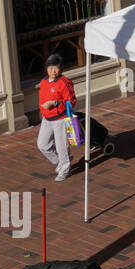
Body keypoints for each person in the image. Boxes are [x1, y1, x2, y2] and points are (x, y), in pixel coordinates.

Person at [37, 53, 77, 182]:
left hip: (60, 118)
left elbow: (71, 101)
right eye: (50, 68)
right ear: (46, 68)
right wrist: (43, 111)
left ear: (61, 69)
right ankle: (62, 161)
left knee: (61, 147)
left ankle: (65, 169)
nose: (53, 71)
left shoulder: (64, 83)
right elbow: (42, 99)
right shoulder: (43, 82)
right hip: (47, 118)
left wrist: (55, 103)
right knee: (42, 145)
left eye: (56, 68)